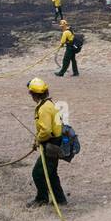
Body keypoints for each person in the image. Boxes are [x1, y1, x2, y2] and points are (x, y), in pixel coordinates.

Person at [26, 77, 68, 207]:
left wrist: (38, 140)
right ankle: (60, 199)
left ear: (34, 94)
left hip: (51, 144)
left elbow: (46, 130)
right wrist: (37, 141)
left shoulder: (44, 108)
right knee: (51, 173)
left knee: (38, 173)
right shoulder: (49, 104)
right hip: (55, 143)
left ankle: (42, 198)